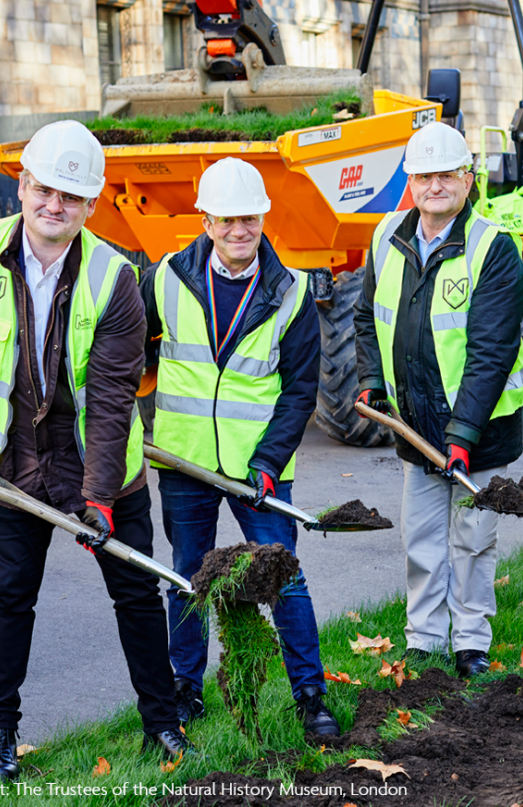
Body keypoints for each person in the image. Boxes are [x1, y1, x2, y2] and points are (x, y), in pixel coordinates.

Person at [0, 121, 190, 780]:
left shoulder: (116, 279)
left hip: (104, 474)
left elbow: (111, 400)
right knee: (10, 599)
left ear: (92, 203)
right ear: (23, 186)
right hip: (13, 471)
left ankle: (162, 723)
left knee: (135, 597)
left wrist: (99, 496)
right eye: (45, 189)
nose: (55, 206)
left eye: (71, 196)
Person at [140, 157, 339, 735]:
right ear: (205, 221)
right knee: (187, 577)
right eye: (226, 220)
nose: (238, 231)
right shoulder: (168, 277)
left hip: (261, 469)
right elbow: (134, 353)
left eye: (248, 219)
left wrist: (269, 461)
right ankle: (185, 687)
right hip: (185, 462)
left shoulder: (292, 291)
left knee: (285, 578)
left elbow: (302, 389)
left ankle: (310, 696)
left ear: (262, 220)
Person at [353, 121, 523, 678]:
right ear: (410, 180)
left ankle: (470, 641)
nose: (435, 185)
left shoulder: (493, 248)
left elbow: (491, 352)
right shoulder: (387, 238)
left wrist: (462, 436)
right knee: (423, 540)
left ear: (468, 178)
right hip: (417, 429)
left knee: (473, 539)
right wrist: (371, 381)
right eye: (425, 175)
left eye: (447, 174)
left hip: (478, 432)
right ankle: (425, 638)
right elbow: (365, 317)